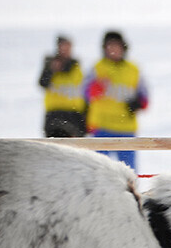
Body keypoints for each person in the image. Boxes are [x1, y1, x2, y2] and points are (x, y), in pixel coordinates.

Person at [84, 30, 148, 170]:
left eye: (116, 46)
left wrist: (137, 104)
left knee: (129, 174)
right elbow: (85, 94)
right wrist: (98, 87)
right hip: (101, 127)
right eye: (109, 46)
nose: (113, 50)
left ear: (123, 47)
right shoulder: (97, 67)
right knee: (98, 171)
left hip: (126, 129)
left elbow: (145, 98)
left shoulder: (133, 69)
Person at [38, 34, 86, 137]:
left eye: (68, 47)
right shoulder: (51, 64)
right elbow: (42, 83)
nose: (66, 50)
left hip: (74, 113)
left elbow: (83, 90)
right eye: (63, 46)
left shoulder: (76, 65)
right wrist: (51, 70)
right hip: (55, 112)